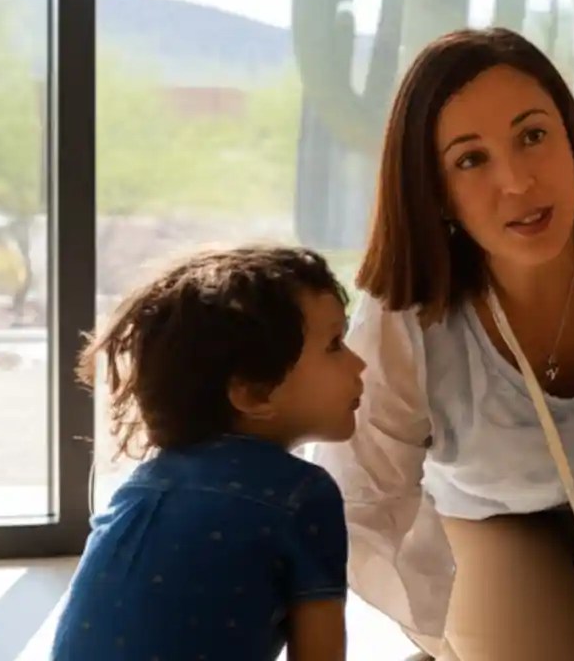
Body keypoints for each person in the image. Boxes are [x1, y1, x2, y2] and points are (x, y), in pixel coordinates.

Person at [312, 28, 574, 661]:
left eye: (533, 136)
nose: (517, 182)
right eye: (471, 160)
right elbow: (359, 500)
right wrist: (444, 631)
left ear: (569, 133)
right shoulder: (408, 313)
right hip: (496, 514)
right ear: (434, 190)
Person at [52, 246, 365, 661]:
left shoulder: (143, 483)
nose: (360, 364)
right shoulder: (302, 494)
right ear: (253, 393)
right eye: (335, 344)